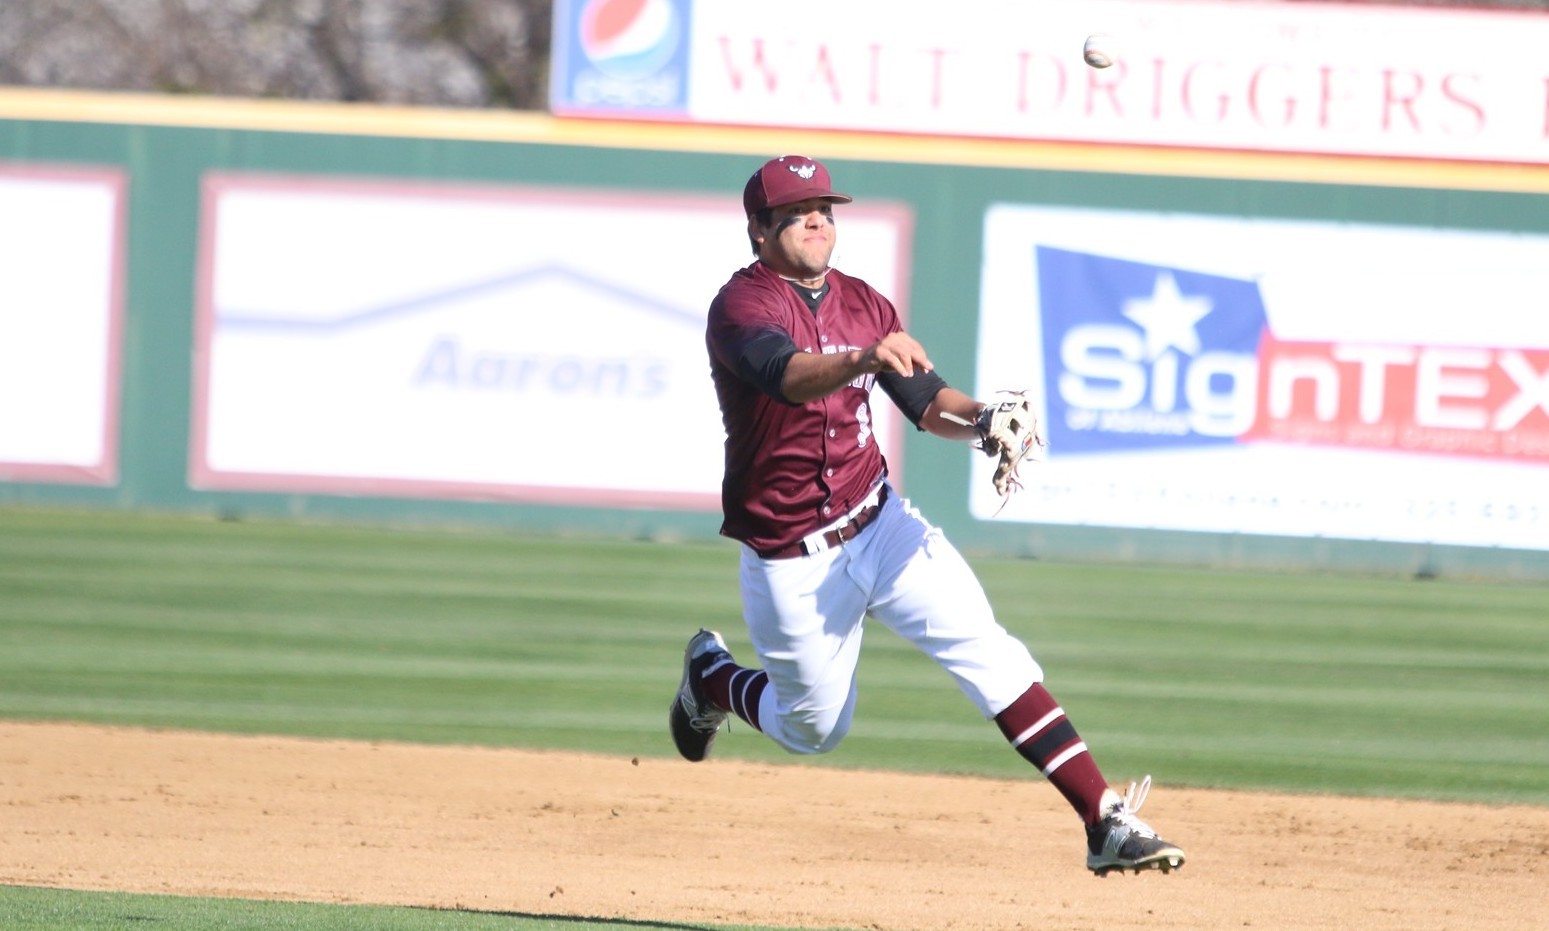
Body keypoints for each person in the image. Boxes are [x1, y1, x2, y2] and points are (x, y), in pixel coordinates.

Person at [670, 155, 1185, 876]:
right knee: (812, 728)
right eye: (796, 211)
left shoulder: (864, 303)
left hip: (880, 523)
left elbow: (924, 400)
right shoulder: (742, 305)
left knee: (991, 651)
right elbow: (785, 376)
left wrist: (980, 420)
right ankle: (712, 679)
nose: (817, 219)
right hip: (791, 553)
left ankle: (1102, 821)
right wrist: (862, 360)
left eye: (824, 207)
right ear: (758, 230)